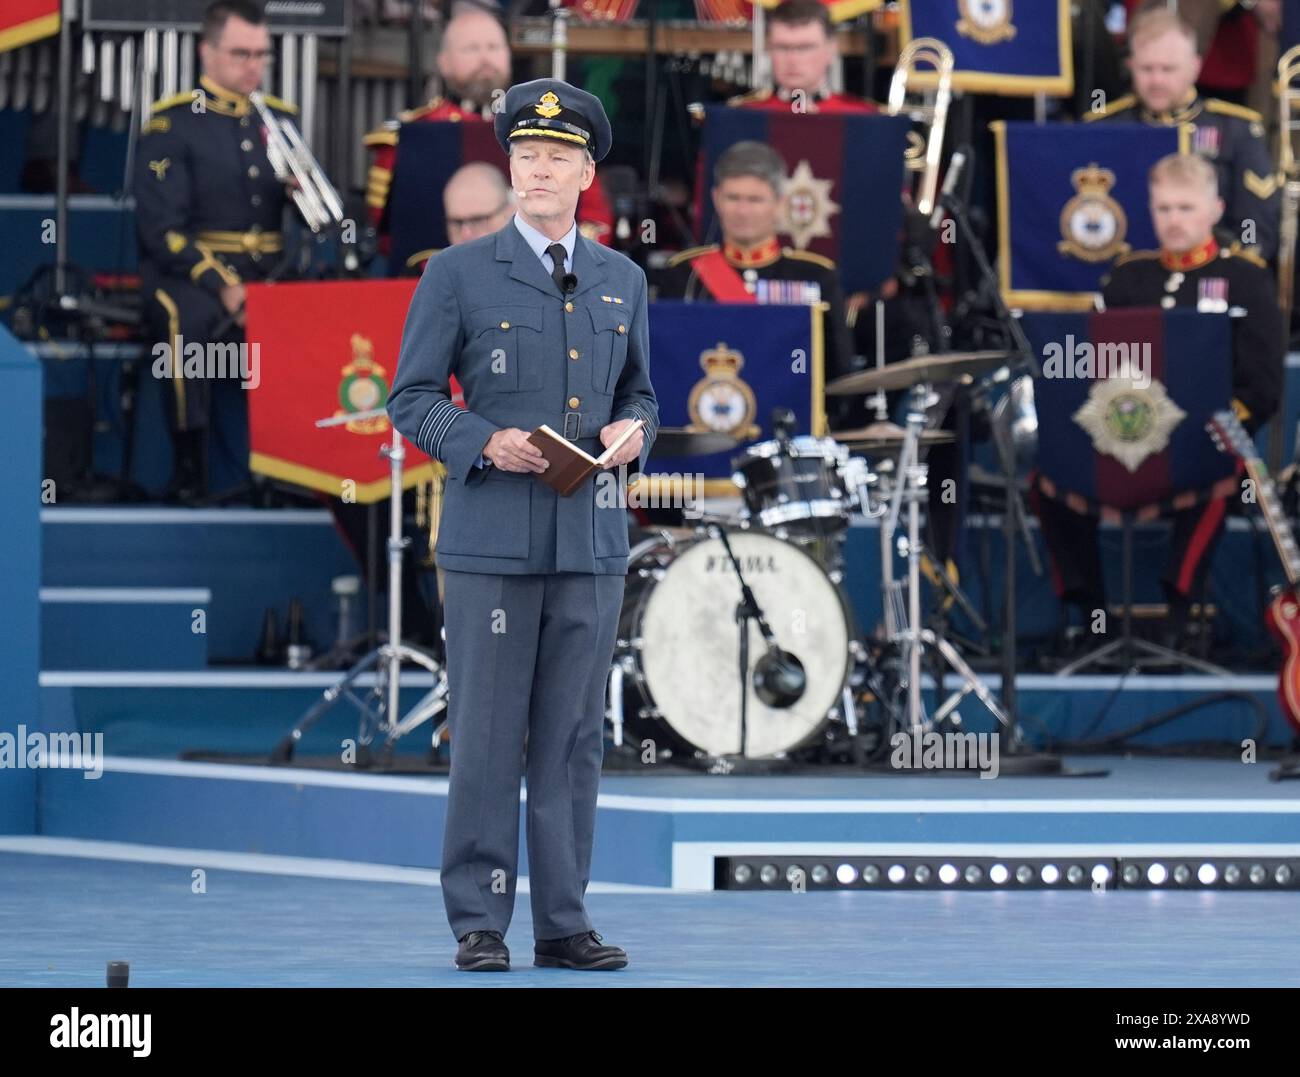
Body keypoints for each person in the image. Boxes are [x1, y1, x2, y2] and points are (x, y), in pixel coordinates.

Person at [386, 78, 658, 973]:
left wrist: (635, 435)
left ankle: (564, 921)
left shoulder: (623, 279)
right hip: (491, 541)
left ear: (586, 172)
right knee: (490, 735)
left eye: (556, 158)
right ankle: (479, 920)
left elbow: (641, 395)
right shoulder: (455, 273)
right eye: (525, 156)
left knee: (575, 741)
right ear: (511, 166)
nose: (537, 170)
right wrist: (481, 439)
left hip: (591, 544)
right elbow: (411, 398)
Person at [1033, 153, 1284, 645]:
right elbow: (1092, 368)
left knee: (1221, 471)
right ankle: (1092, 616)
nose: (1174, 220)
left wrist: (1213, 429)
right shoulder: (1129, 277)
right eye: (1164, 208)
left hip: (1204, 442)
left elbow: (1264, 387)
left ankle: (1179, 613)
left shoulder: (1246, 279)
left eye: (1186, 208)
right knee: (1047, 479)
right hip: (1125, 433)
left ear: (1215, 208)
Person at [133, 0, 297, 503]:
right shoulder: (174, 123)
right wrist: (223, 285)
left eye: (261, 55)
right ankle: (189, 470)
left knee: (318, 316)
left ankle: (299, 472)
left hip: (270, 268)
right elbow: (162, 230)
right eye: (240, 53)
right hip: (191, 271)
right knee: (188, 322)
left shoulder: (281, 121)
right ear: (207, 52)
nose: (253, 65)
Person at [363, 8, 612, 250]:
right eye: (471, 48)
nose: (485, 58)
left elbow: (593, 218)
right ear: (444, 62)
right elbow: (387, 235)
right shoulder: (412, 135)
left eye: (493, 47)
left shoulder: (551, 128)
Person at [657, 141, 855, 424]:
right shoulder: (683, 274)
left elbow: (838, 372)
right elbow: (667, 366)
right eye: (733, 198)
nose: (742, 210)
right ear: (716, 198)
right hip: (702, 423)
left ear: (779, 203)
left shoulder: (814, 276)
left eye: (755, 200)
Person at [1085, 6, 1280, 260]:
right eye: (1146, 69)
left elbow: (1255, 227)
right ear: (1130, 66)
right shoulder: (1104, 128)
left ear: (1194, 67)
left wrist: (1235, 266)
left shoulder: (1235, 129)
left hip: (1209, 274)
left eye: (1168, 69)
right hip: (1124, 276)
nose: (1156, 81)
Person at [727, 0, 878, 113]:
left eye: (804, 47)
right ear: (769, 49)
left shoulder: (862, 115)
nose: (792, 59)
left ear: (831, 49)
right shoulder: (746, 115)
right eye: (782, 47)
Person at [401, 161, 515, 274]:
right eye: (456, 223)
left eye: (478, 220)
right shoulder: (429, 274)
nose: (466, 234)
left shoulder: (531, 268)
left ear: (512, 212)